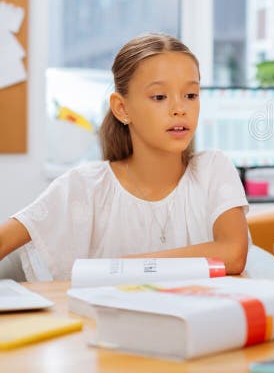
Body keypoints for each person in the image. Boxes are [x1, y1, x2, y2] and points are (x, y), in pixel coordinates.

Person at [0, 33, 250, 280]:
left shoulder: (213, 169)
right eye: (160, 97)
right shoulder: (85, 186)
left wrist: (116, 268)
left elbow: (232, 253)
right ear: (122, 108)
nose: (180, 109)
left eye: (191, 95)